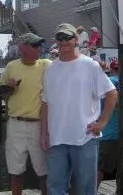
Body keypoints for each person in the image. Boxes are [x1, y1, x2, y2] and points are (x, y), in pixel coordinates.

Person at [40, 23, 117, 195]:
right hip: (56, 139)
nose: (63, 41)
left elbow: (112, 94)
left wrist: (102, 122)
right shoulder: (50, 69)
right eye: (60, 38)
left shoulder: (90, 65)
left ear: (76, 40)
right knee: (55, 188)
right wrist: (44, 133)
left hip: (85, 138)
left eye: (68, 37)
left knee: (85, 189)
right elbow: (45, 103)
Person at [0, 32, 51, 195]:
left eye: (39, 45)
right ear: (23, 47)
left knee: (44, 172)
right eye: (35, 45)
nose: (40, 48)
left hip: (39, 125)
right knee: (15, 171)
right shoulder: (11, 67)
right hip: (15, 124)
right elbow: (1, 94)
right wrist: (9, 88)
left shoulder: (47, 65)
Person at [97, 58, 119, 189]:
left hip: (105, 134)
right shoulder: (112, 82)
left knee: (99, 169)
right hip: (111, 135)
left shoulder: (106, 82)